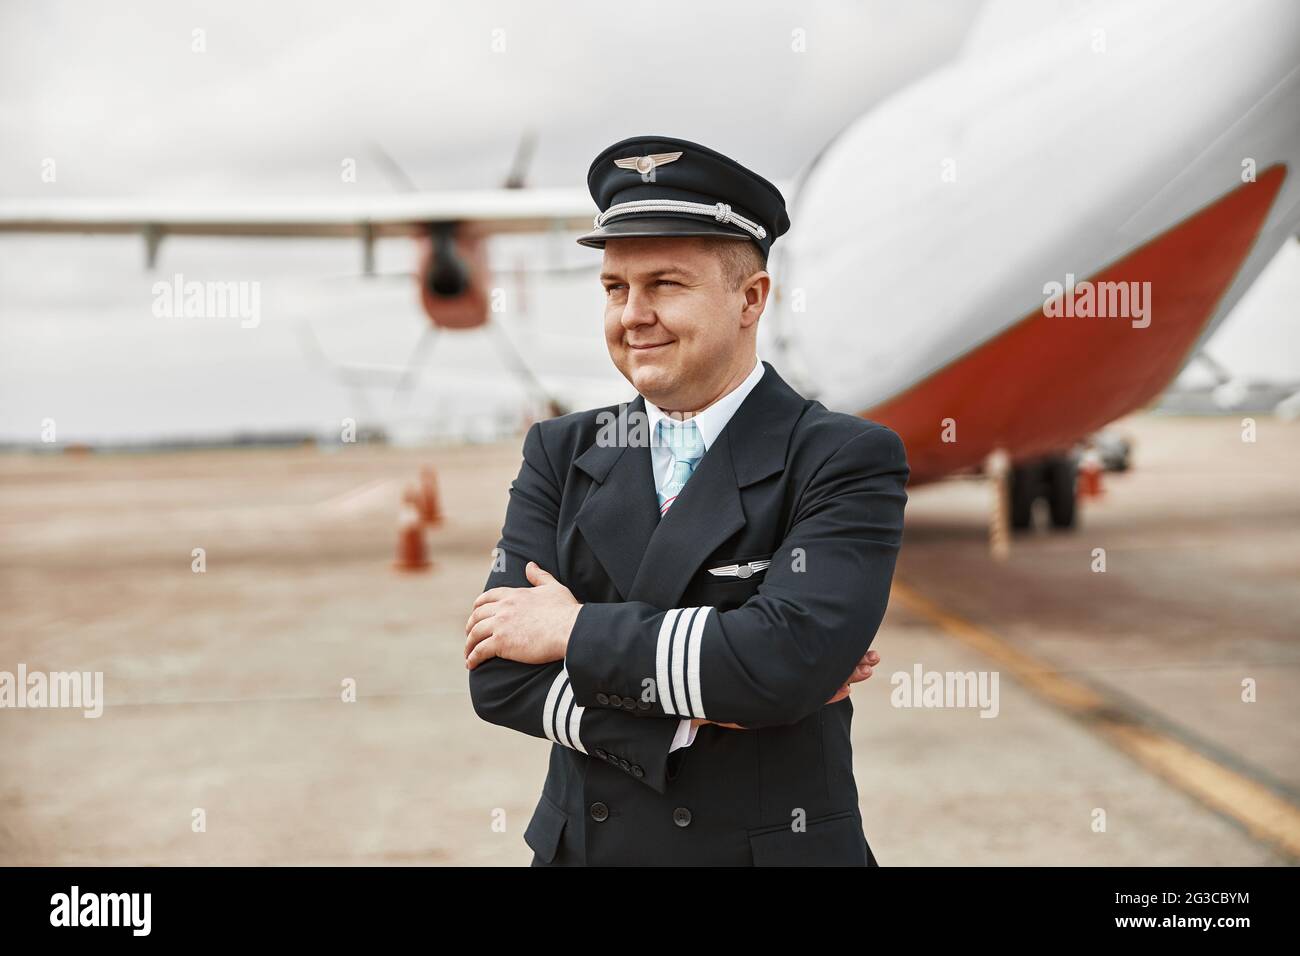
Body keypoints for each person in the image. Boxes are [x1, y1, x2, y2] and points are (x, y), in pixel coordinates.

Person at [464, 135, 909, 866]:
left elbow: (785, 663)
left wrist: (571, 632)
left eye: (665, 284)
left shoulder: (841, 456)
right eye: (615, 288)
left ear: (750, 298)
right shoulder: (561, 451)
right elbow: (499, 675)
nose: (632, 314)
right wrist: (697, 715)